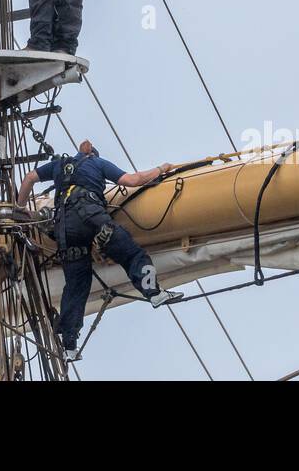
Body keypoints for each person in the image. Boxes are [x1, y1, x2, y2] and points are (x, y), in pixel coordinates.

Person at [16, 140, 183, 355]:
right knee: (131, 254)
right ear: (93, 155)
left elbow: (29, 178)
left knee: (76, 285)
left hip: (65, 230)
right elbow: (134, 180)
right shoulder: (97, 163)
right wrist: (162, 168)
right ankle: (154, 293)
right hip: (92, 219)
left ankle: (69, 345)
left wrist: (20, 209)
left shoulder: (59, 165)